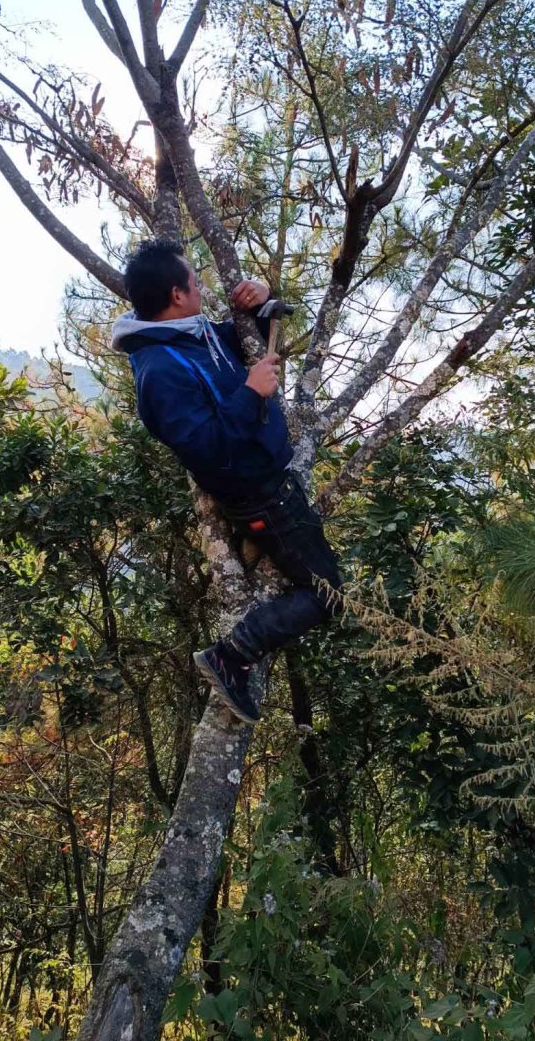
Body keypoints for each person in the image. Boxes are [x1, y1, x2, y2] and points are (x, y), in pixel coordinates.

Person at [111, 239, 342, 725]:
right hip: (258, 495)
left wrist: (259, 305)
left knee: (316, 573)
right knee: (328, 592)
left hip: (270, 478)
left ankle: (237, 647)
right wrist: (250, 392)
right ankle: (233, 653)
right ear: (177, 294)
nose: (202, 286)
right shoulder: (158, 371)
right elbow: (205, 449)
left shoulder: (188, 333)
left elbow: (234, 342)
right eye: (195, 281)